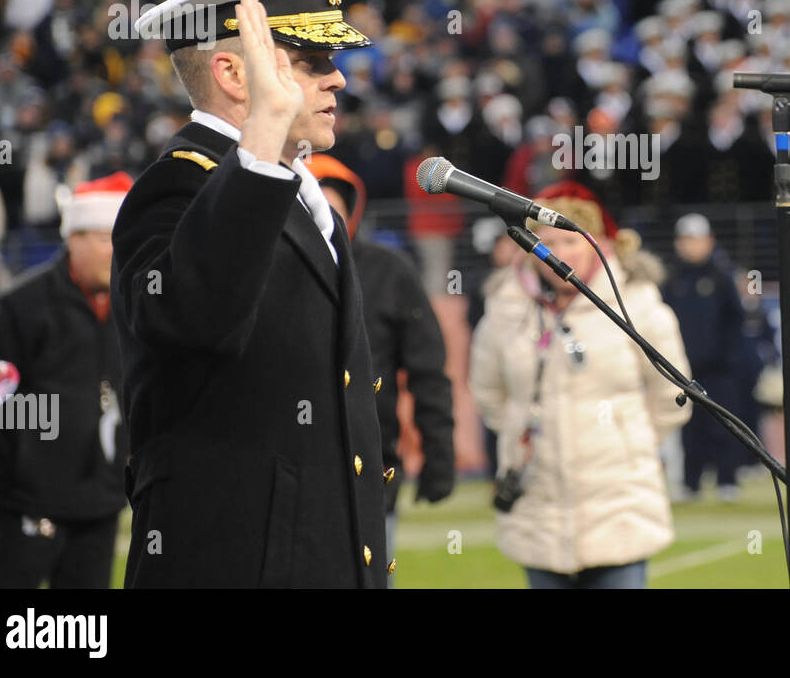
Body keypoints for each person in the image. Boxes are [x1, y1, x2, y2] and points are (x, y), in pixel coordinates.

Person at [112, 0, 388, 587]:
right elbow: (194, 318)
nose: (337, 77)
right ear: (237, 76)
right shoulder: (177, 187)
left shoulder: (292, 186)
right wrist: (262, 140)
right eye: (311, 58)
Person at [469, 182, 692, 588]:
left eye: (569, 241)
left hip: (619, 501)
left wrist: (631, 440)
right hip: (538, 499)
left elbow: (673, 394)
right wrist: (522, 431)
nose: (558, 254)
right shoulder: (505, 304)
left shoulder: (636, 300)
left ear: (597, 244)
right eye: (547, 243)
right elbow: (488, 393)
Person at [0, 173, 131, 588]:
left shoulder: (136, 307)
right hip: (23, 506)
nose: (118, 251)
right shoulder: (19, 307)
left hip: (101, 505)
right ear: (73, 237)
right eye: (105, 237)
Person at [306, 152, 455, 585]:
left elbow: (428, 371)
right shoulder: (263, 273)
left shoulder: (389, 270)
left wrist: (438, 457)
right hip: (288, 473)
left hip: (371, 468)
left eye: (333, 205)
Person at [661, 212, 746, 501]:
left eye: (697, 240)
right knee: (689, 429)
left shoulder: (722, 276)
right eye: (686, 240)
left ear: (709, 242)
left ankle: (727, 481)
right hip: (684, 371)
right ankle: (690, 483)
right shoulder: (671, 278)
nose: (692, 246)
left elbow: (737, 319)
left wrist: (730, 358)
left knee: (724, 426)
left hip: (720, 368)